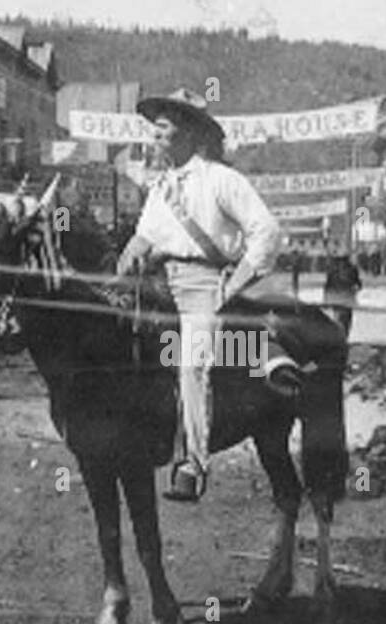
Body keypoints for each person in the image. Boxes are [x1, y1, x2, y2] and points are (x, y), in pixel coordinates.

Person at [116, 88, 283, 502]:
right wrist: (129, 256)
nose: (155, 137)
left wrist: (238, 279)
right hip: (156, 285)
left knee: (191, 364)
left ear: (189, 132)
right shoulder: (161, 188)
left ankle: (193, 465)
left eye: (164, 129)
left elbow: (267, 232)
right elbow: (145, 236)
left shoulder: (221, 180)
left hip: (202, 288)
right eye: (153, 130)